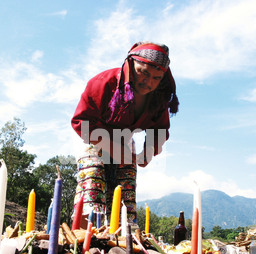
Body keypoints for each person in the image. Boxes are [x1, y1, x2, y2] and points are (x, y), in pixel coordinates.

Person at [71, 41, 179, 228]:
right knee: (93, 179)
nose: (148, 82)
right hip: (94, 141)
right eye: (142, 72)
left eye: (156, 77)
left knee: (124, 195)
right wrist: (112, 147)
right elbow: (81, 122)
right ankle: (83, 240)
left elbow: (159, 129)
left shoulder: (159, 96)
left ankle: (122, 243)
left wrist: (149, 150)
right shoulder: (103, 83)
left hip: (126, 143)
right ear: (129, 64)